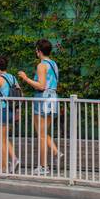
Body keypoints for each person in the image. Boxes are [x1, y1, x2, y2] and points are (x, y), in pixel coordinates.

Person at [17, 39, 61, 175]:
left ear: (39, 51)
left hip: (42, 100)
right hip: (53, 99)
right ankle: (55, 152)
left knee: (41, 135)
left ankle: (43, 166)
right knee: (43, 133)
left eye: (36, 50)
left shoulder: (41, 66)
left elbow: (41, 85)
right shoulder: (53, 64)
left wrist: (25, 78)